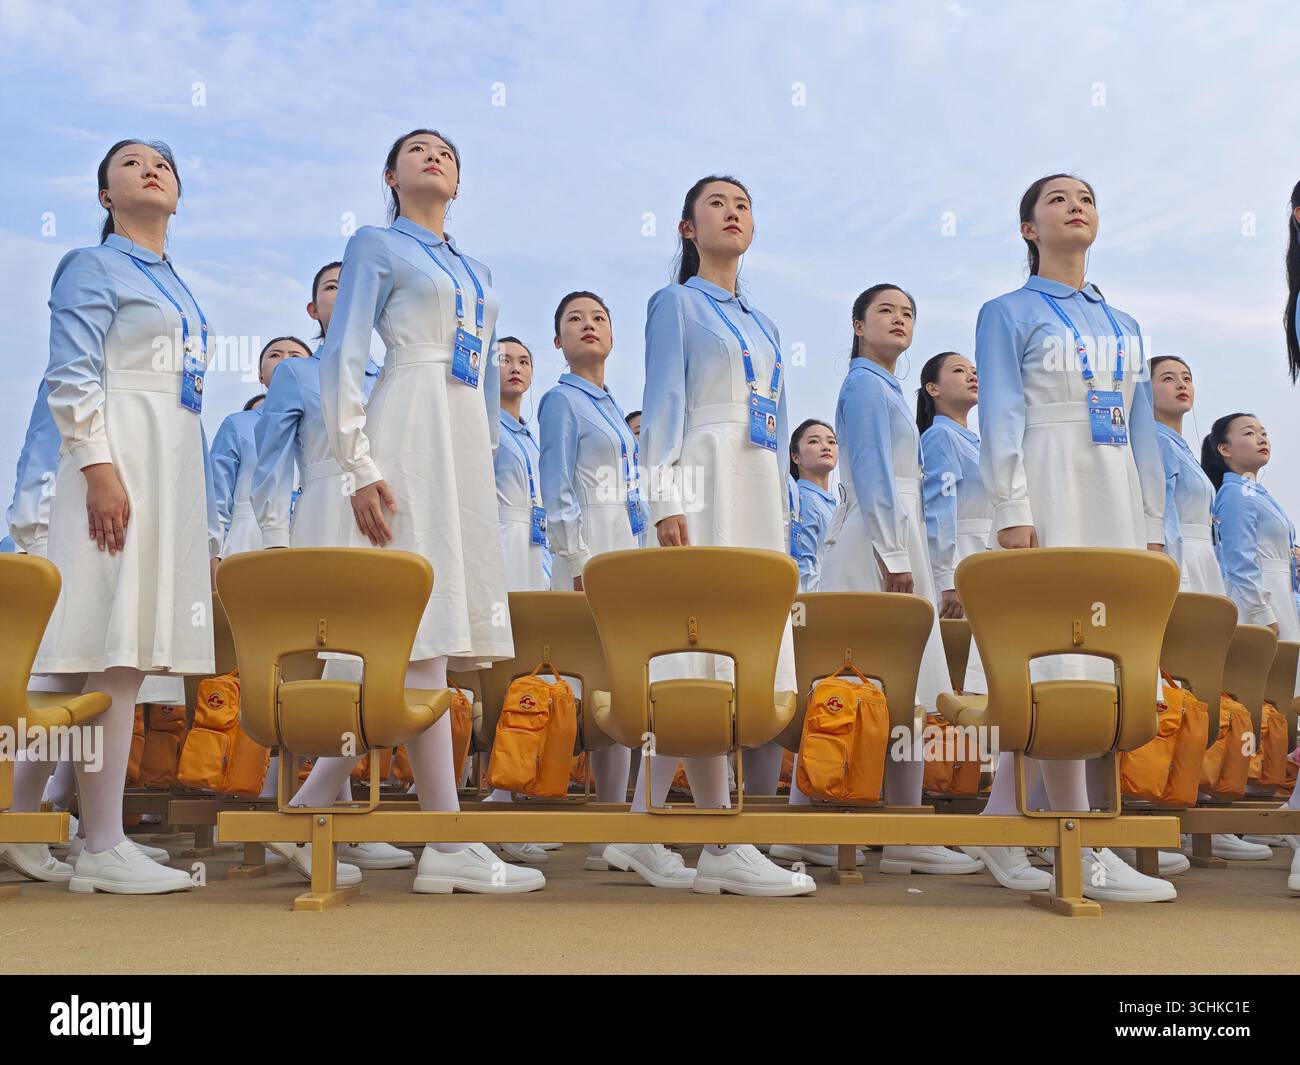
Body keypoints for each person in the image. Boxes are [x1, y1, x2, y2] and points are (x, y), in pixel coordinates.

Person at [314, 127, 544, 894]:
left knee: (430, 632)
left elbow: (484, 378)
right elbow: (345, 354)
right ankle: (444, 839)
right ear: (391, 175)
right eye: (416, 150)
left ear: (460, 181)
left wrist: (481, 457)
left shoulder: (477, 271)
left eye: (446, 152)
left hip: (461, 443)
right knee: (415, 626)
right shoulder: (375, 244)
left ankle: (310, 808)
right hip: (407, 425)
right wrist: (359, 464)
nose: (434, 157)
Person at [21, 139, 219, 894]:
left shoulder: (178, 285)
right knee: (109, 647)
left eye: (163, 164)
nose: (151, 169)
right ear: (106, 196)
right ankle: (102, 843)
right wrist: (98, 468)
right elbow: (71, 373)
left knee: (90, 653)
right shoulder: (91, 264)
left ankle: (22, 821)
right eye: (131, 164)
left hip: (167, 460)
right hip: (115, 460)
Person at [975, 173, 1176, 902]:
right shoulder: (1006, 311)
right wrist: (1012, 505)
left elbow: (1144, 431)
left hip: (1114, 485)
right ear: (1029, 228)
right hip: (1050, 475)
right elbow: (1000, 412)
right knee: (1058, 656)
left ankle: (1003, 824)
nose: (1076, 207)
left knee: (1105, 657)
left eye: (1086, 198)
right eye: (1057, 200)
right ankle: (1079, 839)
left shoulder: (1124, 323)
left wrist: (1151, 526)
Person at [638, 175, 814, 896]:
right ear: (687, 228)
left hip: (759, 483)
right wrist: (665, 498)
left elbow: (779, 421)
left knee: (740, 653)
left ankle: (655, 826)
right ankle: (720, 837)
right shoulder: (676, 303)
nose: (733, 212)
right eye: (717, 203)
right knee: (699, 651)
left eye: (743, 204)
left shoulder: (765, 324)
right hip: (705, 473)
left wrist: (786, 512)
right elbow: (662, 404)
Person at [808, 288, 984, 879]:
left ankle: (895, 822)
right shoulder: (863, 384)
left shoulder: (883, 388)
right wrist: (892, 550)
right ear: (858, 325)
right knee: (868, 681)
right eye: (885, 311)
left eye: (908, 312)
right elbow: (873, 471)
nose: (900, 319)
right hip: (877, 539)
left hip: (892, 533)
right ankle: (835, 822)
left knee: (899, 685)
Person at [248, 265, 417, 878]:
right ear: (313, 309)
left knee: (375, 667)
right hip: (324, 516)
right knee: (332, 671)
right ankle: (310, 814)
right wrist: (275, 541)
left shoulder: (393, 375)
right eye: (330, 288)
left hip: (387, 523)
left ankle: (335, 819)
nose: (344, 297)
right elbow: (270, 466)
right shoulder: (297, 373)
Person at [538, 292, 648, 874]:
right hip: (587, 549)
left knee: (620, 684)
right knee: (578, 683)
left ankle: (613, 823)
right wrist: (576, 559)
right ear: (558, 340)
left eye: (599, 318)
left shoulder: (611, 408)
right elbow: (555, 485)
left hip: (622, 546)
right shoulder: (560, 400)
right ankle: (514, 801)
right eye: (574, 319)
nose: (589, 326)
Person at [1149, 361, 1272, 863]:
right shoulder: (1155, 442)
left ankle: (1198, 806)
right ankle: (1168, 813)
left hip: (1202, 569)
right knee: (1179, 689)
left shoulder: (1179, 447)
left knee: (1205, 693)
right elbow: (1162, 516)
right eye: (1167, 378)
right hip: (1183, 568)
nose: (1181, 385)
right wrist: (1173, 578)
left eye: (1186, 377)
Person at [1202, 413, 1300, 893]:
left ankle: (1275, 810)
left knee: (1274, 711)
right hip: (1261, 605)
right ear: (1224, 449)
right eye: (1248, 432)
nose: (1261, 437)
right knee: (1248, 710)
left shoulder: (1255, 492)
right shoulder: (1236, 495)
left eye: (1264, 431)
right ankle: (1224, 812)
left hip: (1280, 600)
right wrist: (1262, 615)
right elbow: (1238, 561)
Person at [210, 337, 310, 557]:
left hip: (310, 533)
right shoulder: (237, 424)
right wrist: (213, 552)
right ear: (260, 375)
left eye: (295, 356)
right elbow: (218, 494)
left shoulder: (323, 425)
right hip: (248, 542)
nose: (285, 361)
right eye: (275, 355)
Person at [786, 418, 838, 592]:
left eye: (831, 442)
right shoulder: (805, 499)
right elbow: (803, 568)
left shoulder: (832, 504)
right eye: (814, 441)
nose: (826, 447)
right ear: (795, 457)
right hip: (820, 599)